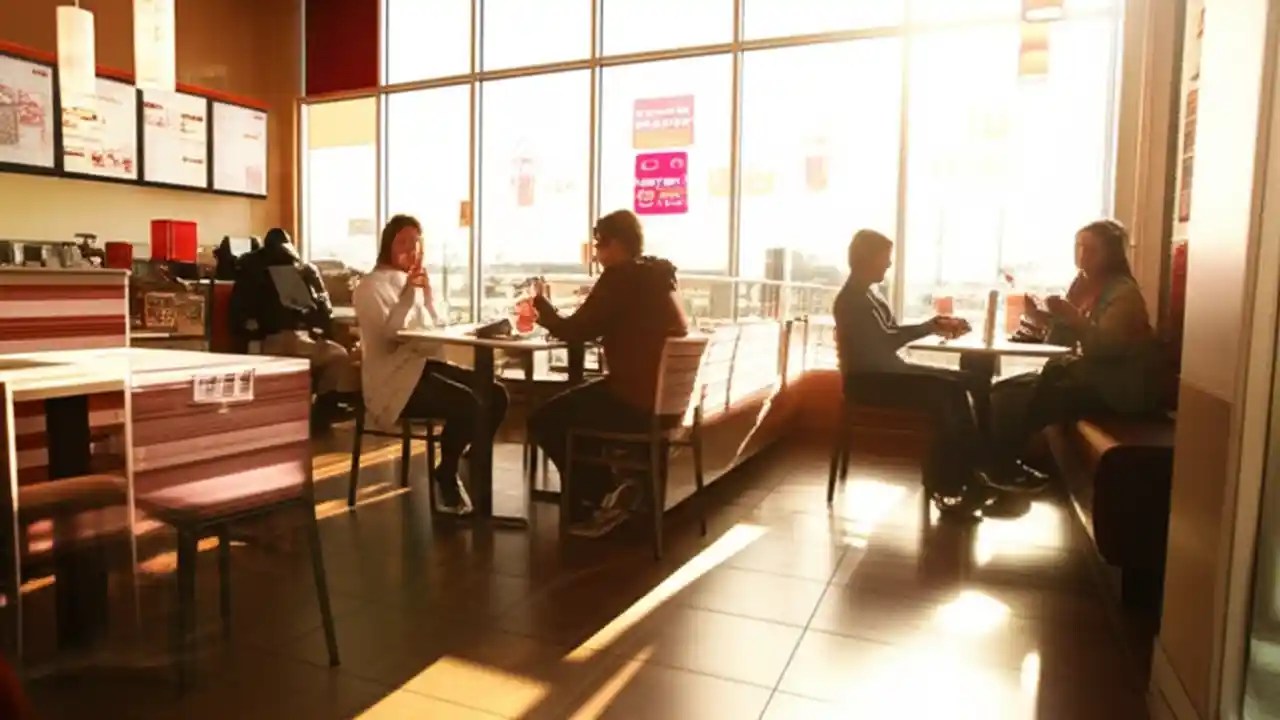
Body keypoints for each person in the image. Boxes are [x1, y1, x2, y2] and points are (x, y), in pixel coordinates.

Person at [529, 209, 688, 537]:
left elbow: (575, 330)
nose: (598, 252)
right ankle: (610, 491)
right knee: (581, 403)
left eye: (601, 243)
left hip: (635, 402)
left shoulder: (620, 279)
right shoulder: (661, 277)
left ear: (617, 244)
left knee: (544, 419)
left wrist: (541, 308)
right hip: (668, 402)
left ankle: (598, 498)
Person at [989, 219, 1168, 482]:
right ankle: (1002, 464)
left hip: (1122, 389)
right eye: (1079, 246)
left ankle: (1006, 465)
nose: (1082, 255)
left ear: (1111, 255)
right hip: (1094, 379)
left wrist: (1073, 317)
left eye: (1091, 249)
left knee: (1034, 391)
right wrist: (1042, 318)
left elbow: (1106, 347)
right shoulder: (1083, 285)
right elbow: (1063, 342)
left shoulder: (1123, 294)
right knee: (1005, 390)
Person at [353, 214, 509, 515]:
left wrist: (427, 295)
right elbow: (391, 337)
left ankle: (464, 462)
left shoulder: (410, 281)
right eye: (402, 242)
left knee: (496, 394)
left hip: (422, 368)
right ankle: (449, 474)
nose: (410, 250)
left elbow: (436, 328)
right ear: (387, 244)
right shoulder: (369, 287)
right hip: (393, 383)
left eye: (415, 244)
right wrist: (411, 293)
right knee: (468, 404)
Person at [832, 229, 992, 515]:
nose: (889, 264)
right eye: (885, 258)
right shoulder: (852, 300)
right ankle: (954, 483)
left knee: (967, 381)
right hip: (870, 382)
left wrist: (931, 326)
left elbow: (887, 335)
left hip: (884, 374)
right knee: (952, 390)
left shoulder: (868, 295)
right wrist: (929, 327)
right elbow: (886, 340)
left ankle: (967, 474)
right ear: (867, 258)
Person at [228, 228, 357, 429]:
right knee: (338, 355)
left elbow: (238, 314)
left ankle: (321, 408)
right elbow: (324, 310)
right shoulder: (303, 270)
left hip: (268, 340)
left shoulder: (250, 267)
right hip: (281, 340)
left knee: (335, 354)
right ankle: (323, 405)